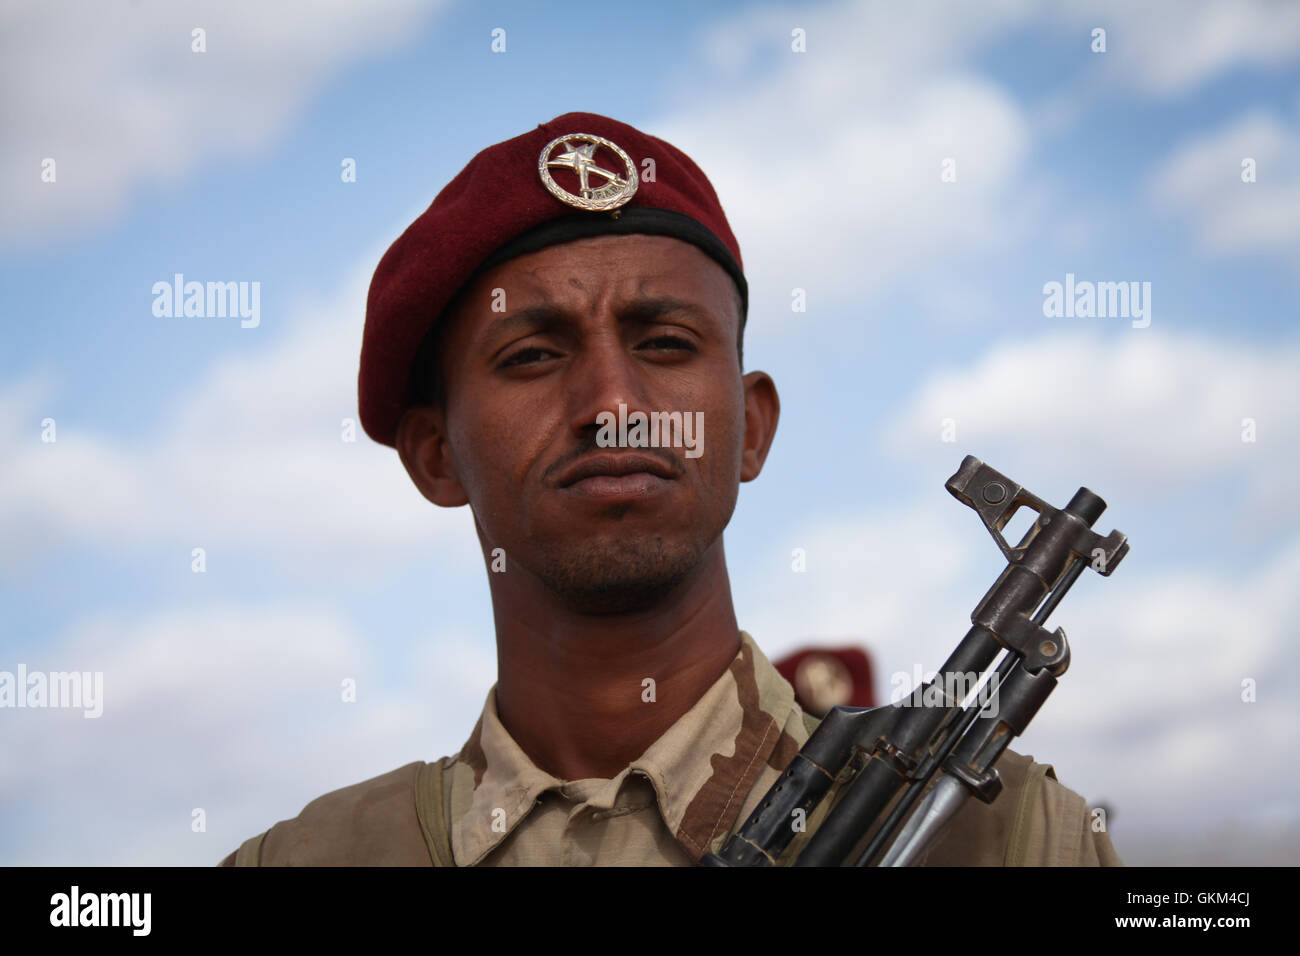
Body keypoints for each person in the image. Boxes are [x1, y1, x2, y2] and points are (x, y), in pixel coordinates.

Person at [219, 112, 1122, 867]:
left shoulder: (1010, 841)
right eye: (533, 355)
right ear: (434, 455)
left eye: (664, 344)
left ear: (751, 427)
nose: (613, 404)